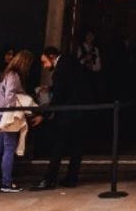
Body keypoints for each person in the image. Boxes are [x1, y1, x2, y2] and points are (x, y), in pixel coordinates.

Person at [0, 49, 36, 193]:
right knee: (8, 149)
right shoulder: (14, 75)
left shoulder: (7, 74)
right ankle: (6, 183)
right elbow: (10, 97)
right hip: (7, 115)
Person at [35, 45, 87, 190]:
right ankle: (71, 178)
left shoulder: (60, 70)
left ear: (52, 56)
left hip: (66, 114)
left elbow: (59, 95)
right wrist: (51, 88)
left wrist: (44, 115)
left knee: (58, 146)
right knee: (76, 147)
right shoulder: (71, 62)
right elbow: (70, 85)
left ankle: (49, 179)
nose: (44, 66)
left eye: (44, 62)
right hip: (81, 111)